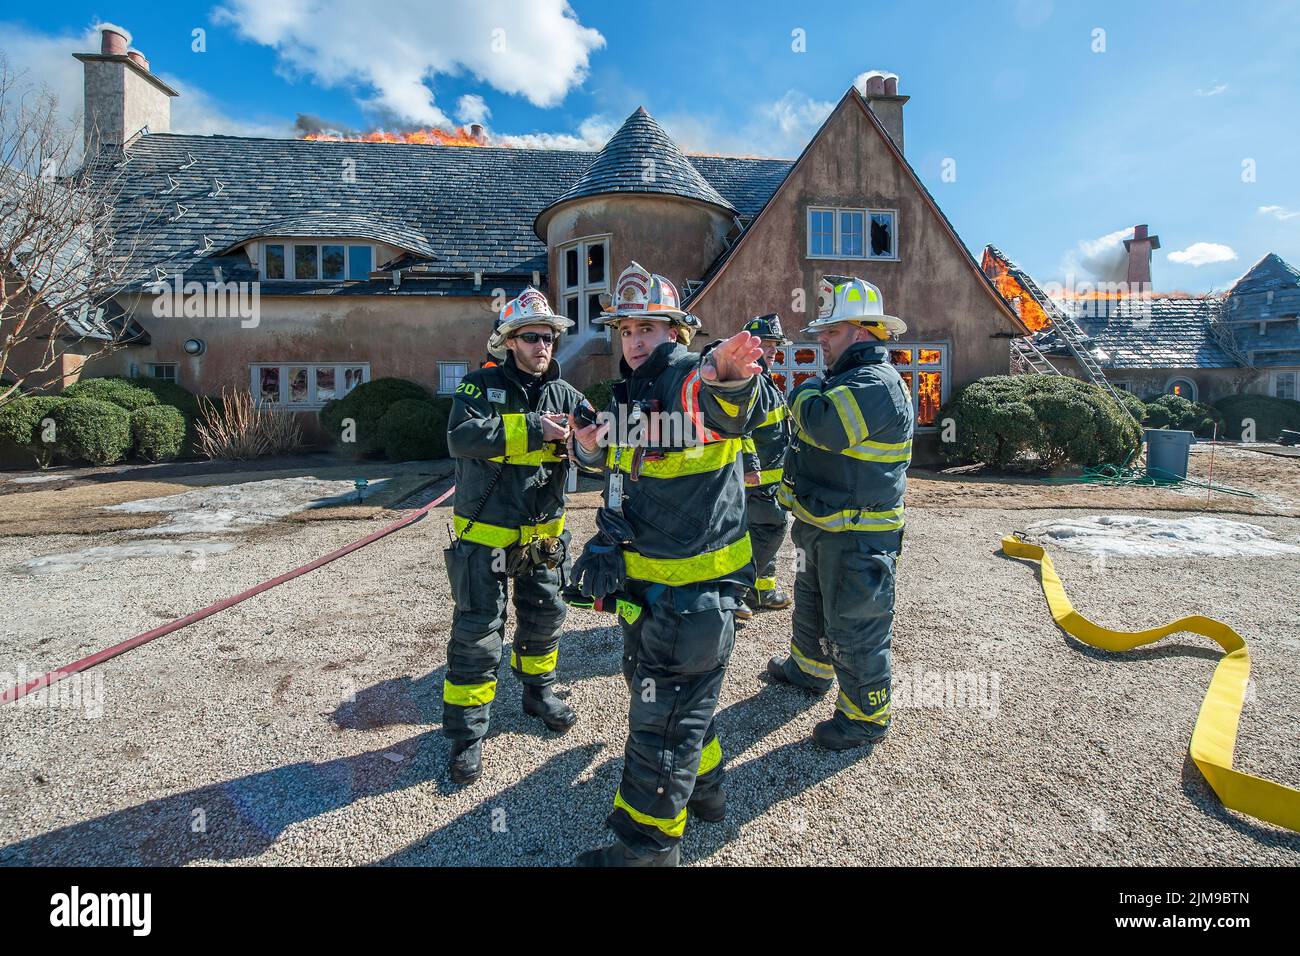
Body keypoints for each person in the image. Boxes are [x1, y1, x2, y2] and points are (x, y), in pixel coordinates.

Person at [568, 261, 777, 866]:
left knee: (661, 725)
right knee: (682, 709)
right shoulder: (633, 390)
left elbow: (717, 408)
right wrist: (591, 446)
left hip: (692, 597)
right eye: (626, 329)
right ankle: (706, 793)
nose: (635, 340)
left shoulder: (685, 374)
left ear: (678, 333)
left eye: (649, 328)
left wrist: (733, 382)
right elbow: (636, 463)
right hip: (654, 590)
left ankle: (647, 848)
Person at [442, 287, 589, 786]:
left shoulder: (567, 396)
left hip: (542, 541)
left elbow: (594, 442)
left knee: (545, 618)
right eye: (531, 336)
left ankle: (538, 691)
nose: (542, 345)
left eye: (548, 337)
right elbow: (461, 437)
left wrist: (589, 442)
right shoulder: (476, 388)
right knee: (479, 632)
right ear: (508, 341)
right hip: (484, 540)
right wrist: (534, 429)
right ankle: (466, 735)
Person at [766, 276, 914, 751]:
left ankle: (864, 717)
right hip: (823, 527)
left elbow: (825, 427)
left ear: (863, 331)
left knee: (855, 624)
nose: (821, 341)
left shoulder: (876, 384)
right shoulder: (845, 379)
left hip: (857, 536)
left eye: (830, 332)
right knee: (811, 604)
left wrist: (801, 391)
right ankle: (808, 671)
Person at [738, 314, 794, 613]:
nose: (772, 349)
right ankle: (737, 591)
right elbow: (742, 426)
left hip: (771, 477)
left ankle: (762, 591)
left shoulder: (766, 378)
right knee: (770, 526)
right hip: (757, 479)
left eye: (775, 344)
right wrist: (750, 465)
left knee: (761, 529)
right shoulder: (751, 380)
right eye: (766, 343)